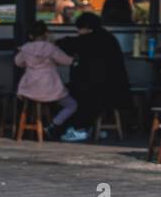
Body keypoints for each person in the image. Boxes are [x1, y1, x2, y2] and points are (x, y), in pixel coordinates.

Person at [57, 12, 131, 141]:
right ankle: (92, 127)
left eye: (80, 29)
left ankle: (80, 128)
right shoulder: (108, 37)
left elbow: (68, 43)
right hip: (117, 88)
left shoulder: (89, 40)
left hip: (99, 90)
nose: (78, 32)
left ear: (87, 28)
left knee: (71, 94)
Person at [14, 20, 77, 139]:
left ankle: (33, 128)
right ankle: (54, 124)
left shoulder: (26, 48)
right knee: (72, 105)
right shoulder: (50, 48)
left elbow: (18, 62)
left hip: (29, 89)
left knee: (35, 104)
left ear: (30, 35)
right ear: (45, 33)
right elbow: (67, 61)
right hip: (50, 88)